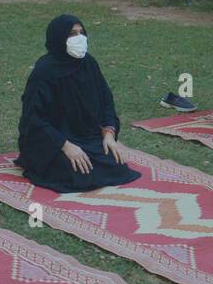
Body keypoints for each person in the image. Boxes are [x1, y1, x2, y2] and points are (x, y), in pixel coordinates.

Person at [17, 15, 141, 192]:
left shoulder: (88, 64)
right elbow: (33, 119)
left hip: (84, 136)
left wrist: (108, 133)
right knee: (76, 172)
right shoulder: (44, 72)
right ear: (58, 38)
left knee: (115, 163)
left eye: (81, 33)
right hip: (50, 141)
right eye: (72, 34)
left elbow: (106, 101)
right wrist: (65, 145)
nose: (79, 38)